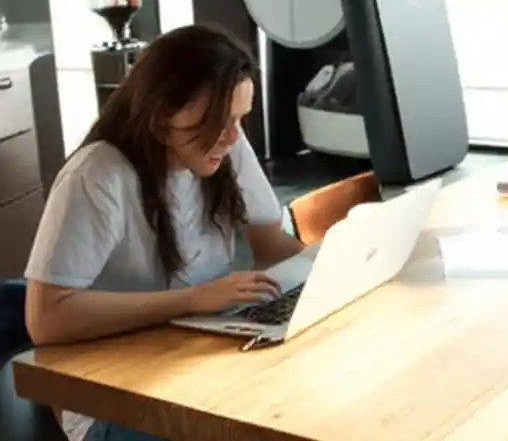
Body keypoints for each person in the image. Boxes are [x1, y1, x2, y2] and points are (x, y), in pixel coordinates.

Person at [24, 24, 305, 441]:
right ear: (161, 116)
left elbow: (270, 244)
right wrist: (191, 300)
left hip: (199, 358)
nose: (232, 137)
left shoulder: (225, 145)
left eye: (240, 119)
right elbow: (46, 318)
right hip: (118, 396)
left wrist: (331, 270)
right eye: (218, 121)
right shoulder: (98, 177)